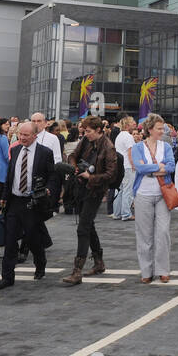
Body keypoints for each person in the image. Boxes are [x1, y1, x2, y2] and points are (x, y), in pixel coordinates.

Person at [0, 121, 53, 290]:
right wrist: (4, 197)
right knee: (10, 240)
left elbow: (52, 176)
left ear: (35, 135)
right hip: (14, 201)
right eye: (20, 134)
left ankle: (40, 263)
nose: (22, 138)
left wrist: (48, 190)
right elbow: (10, 176)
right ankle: (7, 277)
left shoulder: (44, 153)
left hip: (32, 203)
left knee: (33, 238)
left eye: (26, 135)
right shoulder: (15, 149)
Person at [62, 116, 116, 285]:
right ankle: (99, 262)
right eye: (85, 131)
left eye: (89, 131)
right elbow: (72, 155)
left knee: (83, 227)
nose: (86, 134)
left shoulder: (108, 147)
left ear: (99, 130)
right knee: (88, 224)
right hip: (82, 187)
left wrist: (90, 177)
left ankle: (77, 270)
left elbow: (110, 174)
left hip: (96, 190)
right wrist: (75, 167)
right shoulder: (85, 141)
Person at [130, 114, 177, 283]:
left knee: (163, 232)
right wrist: (159, 167)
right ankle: (146, 271)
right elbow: (140, 167)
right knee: (144, 235)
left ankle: (163, 270)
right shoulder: (137, 147)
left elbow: (171, 166)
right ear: (150, 129)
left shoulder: (166, 146)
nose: (162, 131)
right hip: (143, 193)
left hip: (163, 192)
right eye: (159, 128)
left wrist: (152, 169)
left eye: (163, 128)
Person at [112, 116, 138, 221]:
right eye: (132, 123)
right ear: (127, 125)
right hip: (127, 166)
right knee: (128, 190)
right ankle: (126, 214)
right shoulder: (128, 137)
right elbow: (130, 152)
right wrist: (133, 165)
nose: (134, 125)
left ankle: (117, 213)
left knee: (121, 190)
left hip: (120, 166)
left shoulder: (119, 136)